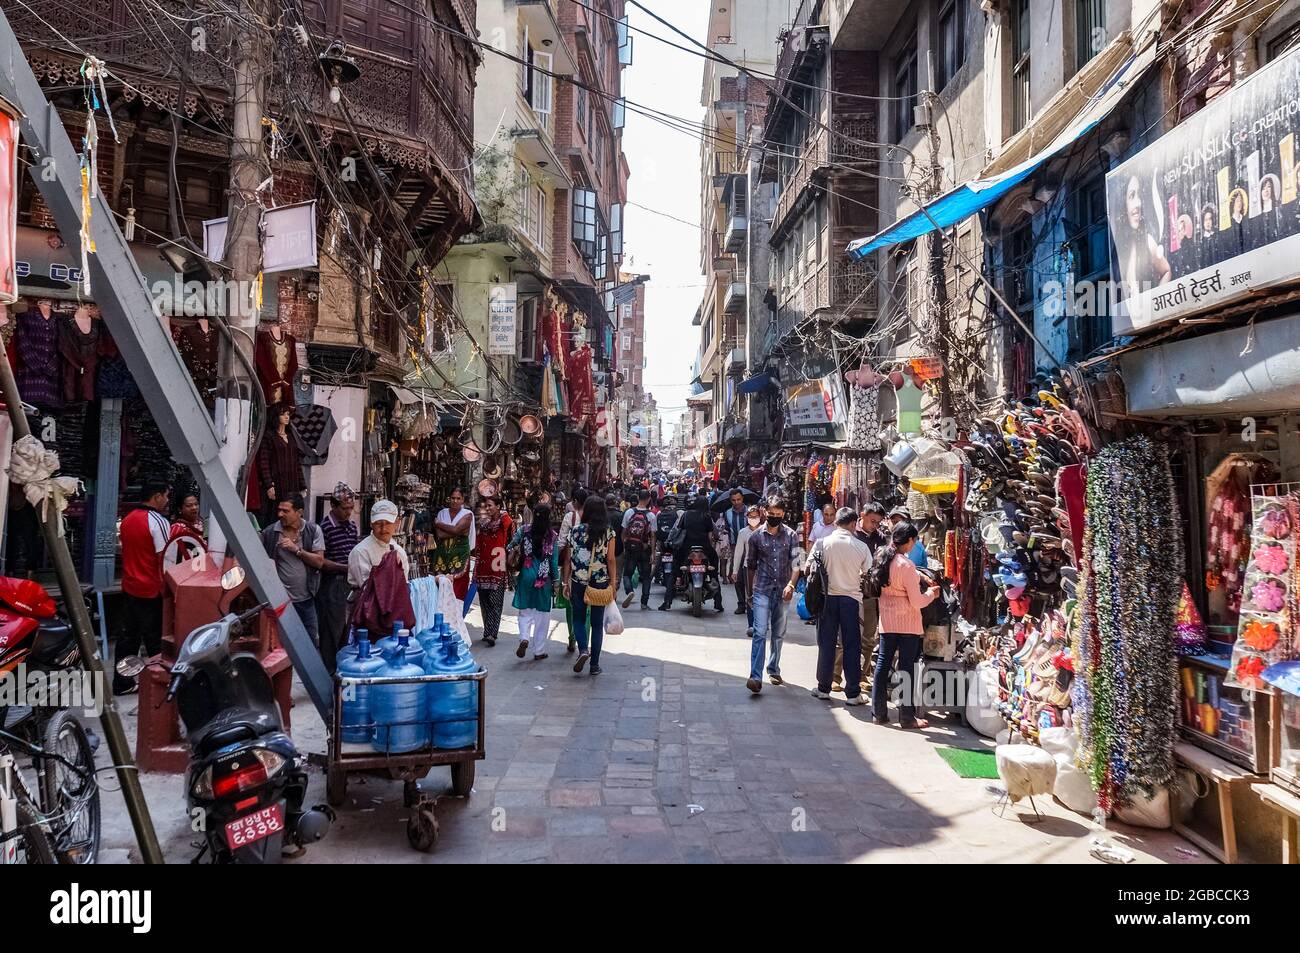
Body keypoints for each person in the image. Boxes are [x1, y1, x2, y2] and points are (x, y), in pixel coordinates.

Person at [872, 521, 938, 729]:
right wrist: (931, 594)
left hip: (887, 621)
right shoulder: (906, 565)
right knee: (906, 669)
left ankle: (879, 713)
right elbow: (917, 601)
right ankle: (907, 717)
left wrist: (919, 576)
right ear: (909, 541)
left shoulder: (882, 558)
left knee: (882, 666)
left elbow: (897, 575)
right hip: (907, 623)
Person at [113, 480, 172, 695]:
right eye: (165, 495)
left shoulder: (128, 520)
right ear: (156, 496)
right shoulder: (158, 521)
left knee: (127, 639)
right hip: (151, 589)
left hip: (130, 588)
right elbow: (165, 559)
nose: (167, 500)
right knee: (155, 641)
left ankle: (123, 683)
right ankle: (158, 683)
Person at [810, 507, 873, 705]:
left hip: (828, 599)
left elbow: (808, 566)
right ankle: (853, 693)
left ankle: (823, 688)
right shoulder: (861, 547)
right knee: (852, 645)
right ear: (854, 524)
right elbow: (868, 572)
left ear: (836, 522)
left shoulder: (822, 543)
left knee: (827, 643)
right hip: (851, 601)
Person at [744, 496, 802, 695]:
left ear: (783, 514)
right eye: (771, 513)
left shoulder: (792, 535)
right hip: (762, 588)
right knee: (760, 632)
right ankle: (755, 676)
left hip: (783, 590)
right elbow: (750, 566)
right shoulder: (756, 537)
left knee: (778, 632)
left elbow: (797, 563)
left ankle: (773, 668)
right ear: (764, 512)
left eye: (778, 514)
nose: (775, 516)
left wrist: (791, 585)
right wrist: (749, 593)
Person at [561, 496, 618, 676]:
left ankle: (583, 649)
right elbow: (610, 560)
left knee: (578, 619)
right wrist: (613, 583)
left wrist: (565, 582)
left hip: (579, 581)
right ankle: (594, 665)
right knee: (596, 623)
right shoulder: (608, 533)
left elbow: (568, 560)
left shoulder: (575, 531)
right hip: (599, 584)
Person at [260, 494, 326, 645]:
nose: (280, 514)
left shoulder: (313, 530)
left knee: (311, 643)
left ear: (299, 512)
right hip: (281, 603)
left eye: (285, 511)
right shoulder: (270, 533)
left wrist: (296, 549)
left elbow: (319, 562)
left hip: (306, 601)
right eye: (279, 510)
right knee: (282, 646)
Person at [834, 502, 886, 692]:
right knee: (844, 636)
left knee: (868, 637)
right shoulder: (850, 536)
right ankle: (836, 676)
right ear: (862, 516)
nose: (874, 525)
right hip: (850, 591)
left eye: (878, 523)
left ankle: (862, 675)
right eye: (872, 521)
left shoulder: (880, 539)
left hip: (870, 594)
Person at [316, 483, 359, 673]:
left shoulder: (351, 527)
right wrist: (345, 568)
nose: (348, 513)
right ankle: (329, 671)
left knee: (346, 630)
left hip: (348, 583)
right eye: (344, 509)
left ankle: (341, 667)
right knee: (331, 631)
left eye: (351, 508)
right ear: (333, 506)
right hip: (331, 583)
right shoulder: (324, 528)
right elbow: (321, 561)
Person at [510, 503, 560, 660]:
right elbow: (553, 562)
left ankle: (524, 637)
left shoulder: (524, 530)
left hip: (526, 573)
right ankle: (538, 651)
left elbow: (511, 545)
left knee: (525, 611)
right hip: (543, 578)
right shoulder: (552, 536)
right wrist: (556, 581)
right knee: (542, 616)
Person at [659, 495, 723, 612]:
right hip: (705, 548)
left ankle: (667, 601)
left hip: (686, 547)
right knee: (714, 572)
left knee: (674, 571)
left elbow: (678, 529)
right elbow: (711, 535)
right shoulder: (707, 517)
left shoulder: (686, 514)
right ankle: (718, 603)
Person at [473, 495, 514, 647]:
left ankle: (492, 633)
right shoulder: (483, 524)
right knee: (484, 601)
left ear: (498, 506)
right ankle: (487, 630)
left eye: (490, 506)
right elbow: (478, 545)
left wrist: (510, 560)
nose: (488, 508)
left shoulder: (506, 521)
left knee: (495, 601)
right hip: (483, 564)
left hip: (498, 564)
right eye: (486, 506)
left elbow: (512, 542)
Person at [256, 403, 305, 525]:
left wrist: (302, 484)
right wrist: (268, 485)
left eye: (288, 414)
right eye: (283, 414)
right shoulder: (269, 436)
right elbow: (264, 461)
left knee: (292, 514)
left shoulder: (291, 437)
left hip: (292, 484)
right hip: (277, 484)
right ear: (275, 416)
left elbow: (297, 462)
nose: (286, 417)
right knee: (275, 514)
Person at [348, 499, 410, 587]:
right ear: (371, 524)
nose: (383, 528)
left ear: (397, 523)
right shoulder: (361, 552)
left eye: (388, 523)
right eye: (378, 523)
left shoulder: (399, 552)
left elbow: (403, 586)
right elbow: (368, 589)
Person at [558, 486, 589, 652]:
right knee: (589, 607)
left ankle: (572, 638)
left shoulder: (570, 517)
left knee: (572, 605)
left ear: (575, 502)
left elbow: (562, 543)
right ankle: (585, 642)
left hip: (572, 568)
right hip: (591, 569)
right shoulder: (594, 518)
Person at [432, 487, 474, 601]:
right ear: (449, 499)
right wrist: (456, 531)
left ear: (462, 500)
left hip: (459, 555)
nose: (455, 501)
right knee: (439, 585)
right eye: (453, 498)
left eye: (458, 498)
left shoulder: (467, 514)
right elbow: (440, 535)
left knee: (457, 588)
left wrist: (438, 524)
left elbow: (456, 530)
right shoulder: (442, 513)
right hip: (442, 555)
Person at [620, 488, 657, 609]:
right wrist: (652, 553)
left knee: (627, 574)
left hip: (631, 548)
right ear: (648, 499)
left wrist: (625, 545)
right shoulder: (651, 515)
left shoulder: (629, 512)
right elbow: (652, 535)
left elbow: (623, 531)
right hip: (644, 549)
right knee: (646, 577)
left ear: (638, 498)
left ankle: (629, 590)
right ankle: (644, 603)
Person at [732, 503, 762, 634]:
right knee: (749, 596)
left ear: (760, 517)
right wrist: (734, 571)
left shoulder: (764, 531)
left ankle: (761, 623)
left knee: (762, 597)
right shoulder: (743, 533)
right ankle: (751, 625)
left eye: (756, 516)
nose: (753, 519)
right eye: (751, 516)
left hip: (763, 568)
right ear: (747, 517)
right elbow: (738, 552)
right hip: (748, 568)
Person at [719, 489, 749, 614]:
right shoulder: (727, 513)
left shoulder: (750, 512)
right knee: (737, 575)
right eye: (734, 500)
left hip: (750, 546)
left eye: (739, 499)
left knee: (750, 575)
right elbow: (726, 528)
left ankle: (751, 602)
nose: (736, 502)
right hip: (735, 546)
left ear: (742, 499)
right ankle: (741, 603)